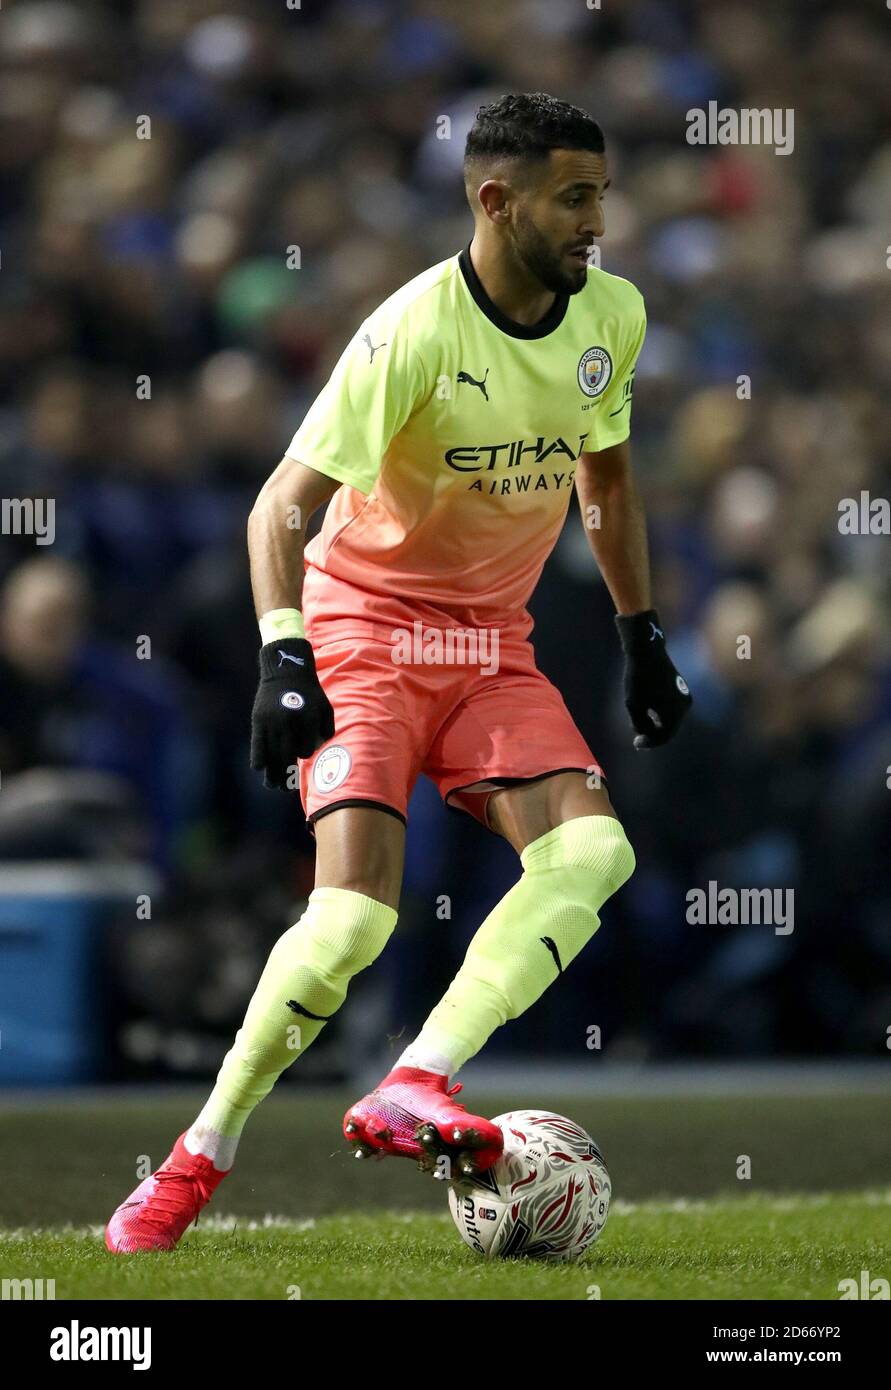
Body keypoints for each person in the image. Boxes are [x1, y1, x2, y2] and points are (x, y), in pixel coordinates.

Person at [105, 92, 691, 1253]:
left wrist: (642, 633)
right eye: (575, 199)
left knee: (596, 849)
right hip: (367, 629)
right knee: (350, 923)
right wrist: (284, 650)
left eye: (602, 198)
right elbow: (285, 502)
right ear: (496, 199)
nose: (597, 225)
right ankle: (195, 1158)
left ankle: (414, 1078)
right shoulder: (413, 331)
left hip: (488, 645)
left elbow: (607, 485)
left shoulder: (610, 318)